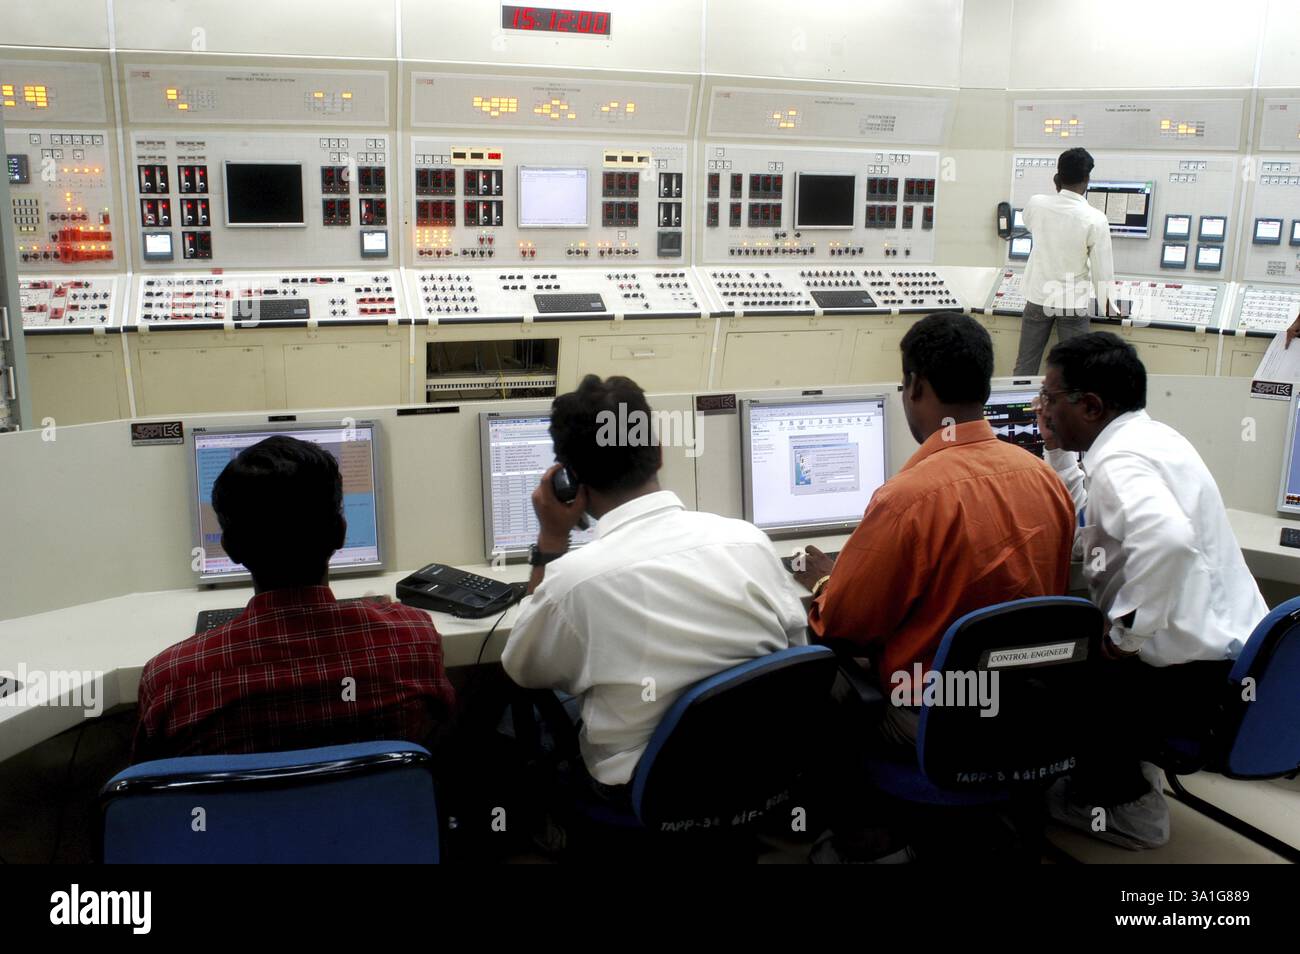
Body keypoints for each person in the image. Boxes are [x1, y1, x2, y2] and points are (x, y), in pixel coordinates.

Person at [501, 375, 807, 798]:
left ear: (570, 478)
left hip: (651, 788)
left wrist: (551, 540)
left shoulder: (573, 583)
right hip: (755, 768)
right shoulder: (748, 541)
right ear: (659, 453)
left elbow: (523, 669)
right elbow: (795, 647)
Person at [791, 313, 1076, 750]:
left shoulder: (906, 500)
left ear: (916, 386)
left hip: (931, 721)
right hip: (1028, 710)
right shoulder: (1047, 481)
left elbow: (842, 628)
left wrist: (827, 580)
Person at [1037, 332, 1268, 849]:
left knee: (1057, 668)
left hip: (1190, 682)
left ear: (1090, 405)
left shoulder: (1120, 463)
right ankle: (1129, 780)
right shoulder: (1152, 440)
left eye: (1050, 397)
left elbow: (1168, 540)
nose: (1042, 407)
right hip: (1235, 660)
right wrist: (1056, 451)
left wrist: (1126, 635)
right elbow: (1098, 512)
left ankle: (1125, 807)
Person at [134, 436, 454, 761]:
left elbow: (147, 783)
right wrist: (381, 618)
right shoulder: (414, 639)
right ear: (341, 531)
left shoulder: (173, 678)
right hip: (379, 812)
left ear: (229, 547)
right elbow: (444, 722)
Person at [1012, 147, 1116, 374]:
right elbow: (1102, 269)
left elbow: (1030, 223)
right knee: (1075, 370)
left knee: (1025, 364)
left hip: (1038, 296)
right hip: (1072, 301)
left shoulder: (1037, 204)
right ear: (1087, 179)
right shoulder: (1095, 219)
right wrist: (1111, 306)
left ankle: (1017, 408)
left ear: (1057, 177)